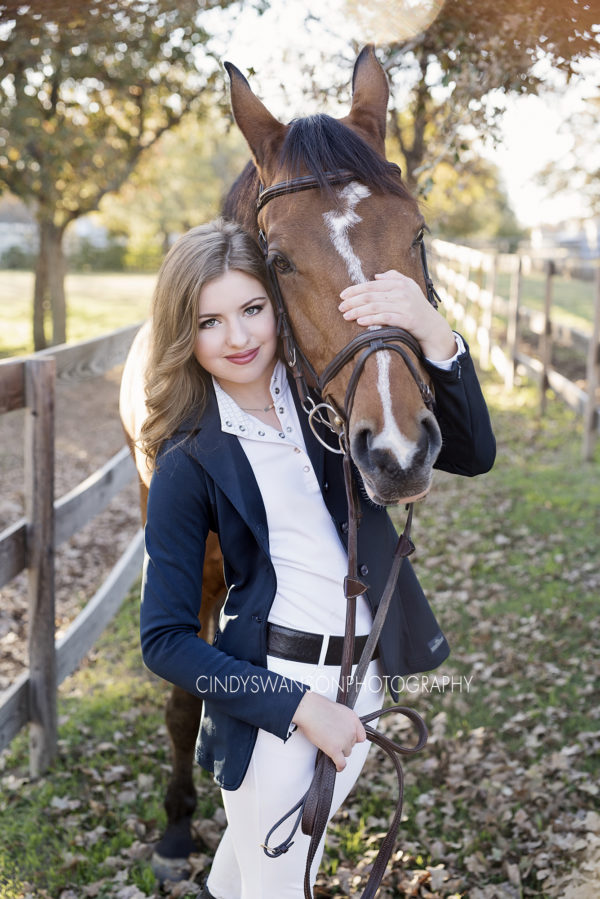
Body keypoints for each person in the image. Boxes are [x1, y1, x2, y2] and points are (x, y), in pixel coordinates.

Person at [139, 218, 495, 899]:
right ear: (184, 332)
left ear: (280, 305)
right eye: (211, 321)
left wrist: (432, 329)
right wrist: (301, 706)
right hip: (280, 706)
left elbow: (473, 452)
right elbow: (164, 641)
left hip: (359, 690)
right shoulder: (188, 457)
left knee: (246, 872)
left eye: (252, 309)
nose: (239, 337)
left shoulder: (324, 404)